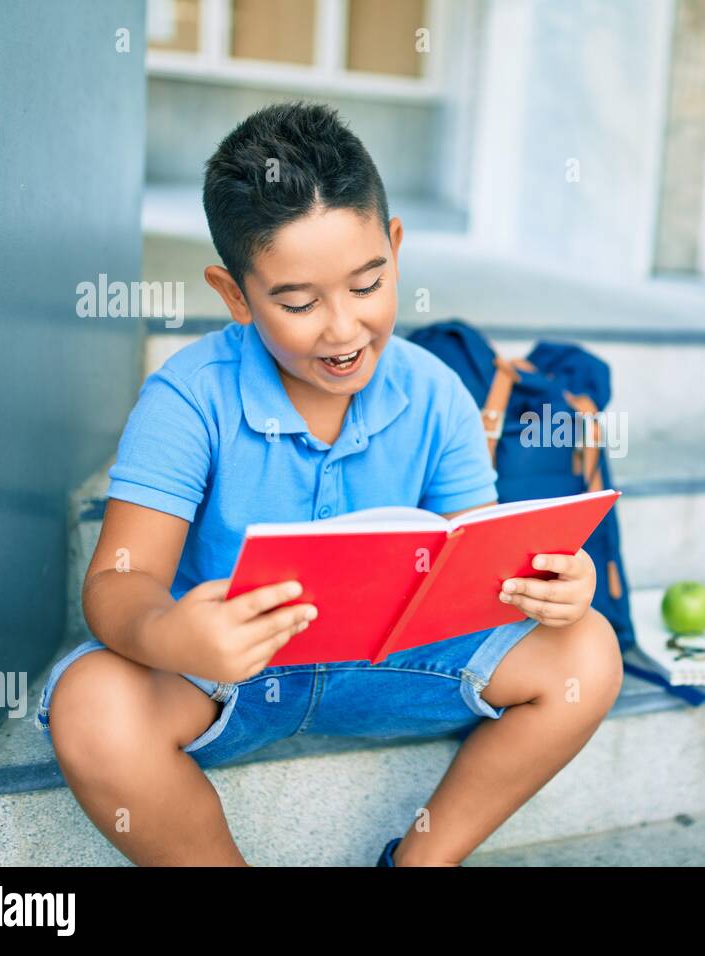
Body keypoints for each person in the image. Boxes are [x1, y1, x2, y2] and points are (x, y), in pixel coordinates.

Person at [35, 101, 623, 867]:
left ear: (396, 249)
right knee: (91, 705)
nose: (343, 329)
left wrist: (551, 588)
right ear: (235, 295)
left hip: (393, 671)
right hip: (228, 679)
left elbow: (475, 565)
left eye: (367, 284)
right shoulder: (189, 397)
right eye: (298, 302)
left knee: (587, 650)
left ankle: (421, 859)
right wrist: (173, 633)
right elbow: (118, 582)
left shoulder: (436, 390)